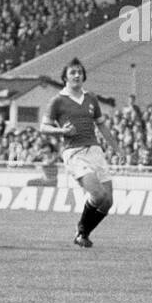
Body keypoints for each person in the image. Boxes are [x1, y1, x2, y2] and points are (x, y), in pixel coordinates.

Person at [39, 59, 123, 247]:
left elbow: (101, 125)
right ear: (65, 77)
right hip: (75, 152)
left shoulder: (91, 98)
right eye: (72, 73)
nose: (77, 75)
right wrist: (61, 131)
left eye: (79, 72)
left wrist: (116, 148)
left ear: (84, 76)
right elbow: (43, 127)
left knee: (107, 202)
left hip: (95, 151)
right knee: (98, 195)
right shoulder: (57, 101)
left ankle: (82, 234)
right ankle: (81, 230)